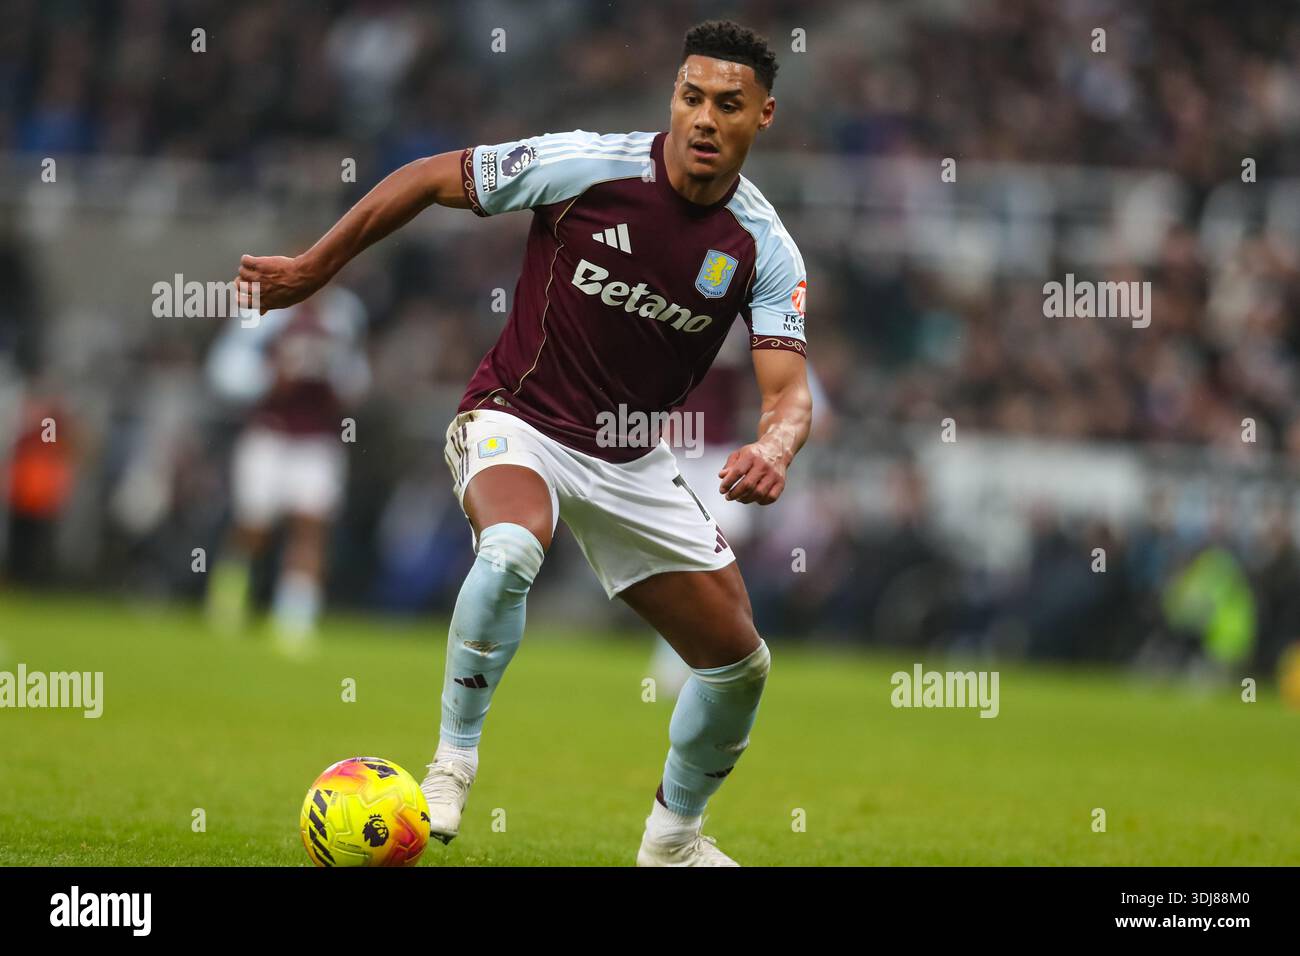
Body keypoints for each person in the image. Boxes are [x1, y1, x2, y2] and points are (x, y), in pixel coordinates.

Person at [233, 20, 811, 865]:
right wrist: (315, 267)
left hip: (628, 457)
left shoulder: (762, 245)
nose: (703, 119)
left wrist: (777, 449)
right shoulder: (589, 163)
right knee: (508, 549)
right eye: (690, 97)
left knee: (739, 664)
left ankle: (674, 844)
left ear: (763, 116)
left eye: (728, 104)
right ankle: (451, 766)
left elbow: (789, 392)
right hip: (516, 418)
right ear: (672, 98)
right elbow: (434, 176)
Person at [204, 285, 370, 655]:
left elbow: (356, 376)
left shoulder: (343, 315)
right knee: (255, 526)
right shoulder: (263, 315)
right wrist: (270, 378)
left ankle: (295, 619)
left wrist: (338, 382)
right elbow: (226, 372)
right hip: (271, 433)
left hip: (317, 438)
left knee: (311, 525)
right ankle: (229, 599)